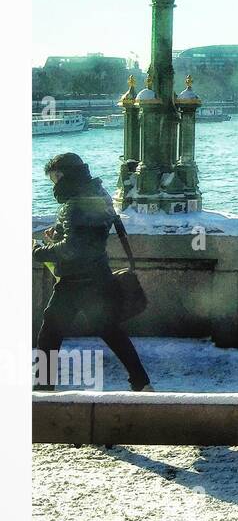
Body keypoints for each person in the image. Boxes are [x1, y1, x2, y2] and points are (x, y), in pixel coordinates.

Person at [33, 153, 153, 392]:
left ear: (68, 175)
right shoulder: (98, 194)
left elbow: (73, 248)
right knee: (110, 331)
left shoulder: (75, 204)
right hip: (99, 275)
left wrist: (39, 251)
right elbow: (91, 235)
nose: (55, 185)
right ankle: (142, 382)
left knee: (50, 334)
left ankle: (42, 389)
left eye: (56, 178)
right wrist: (61, 230)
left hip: (75, 281)